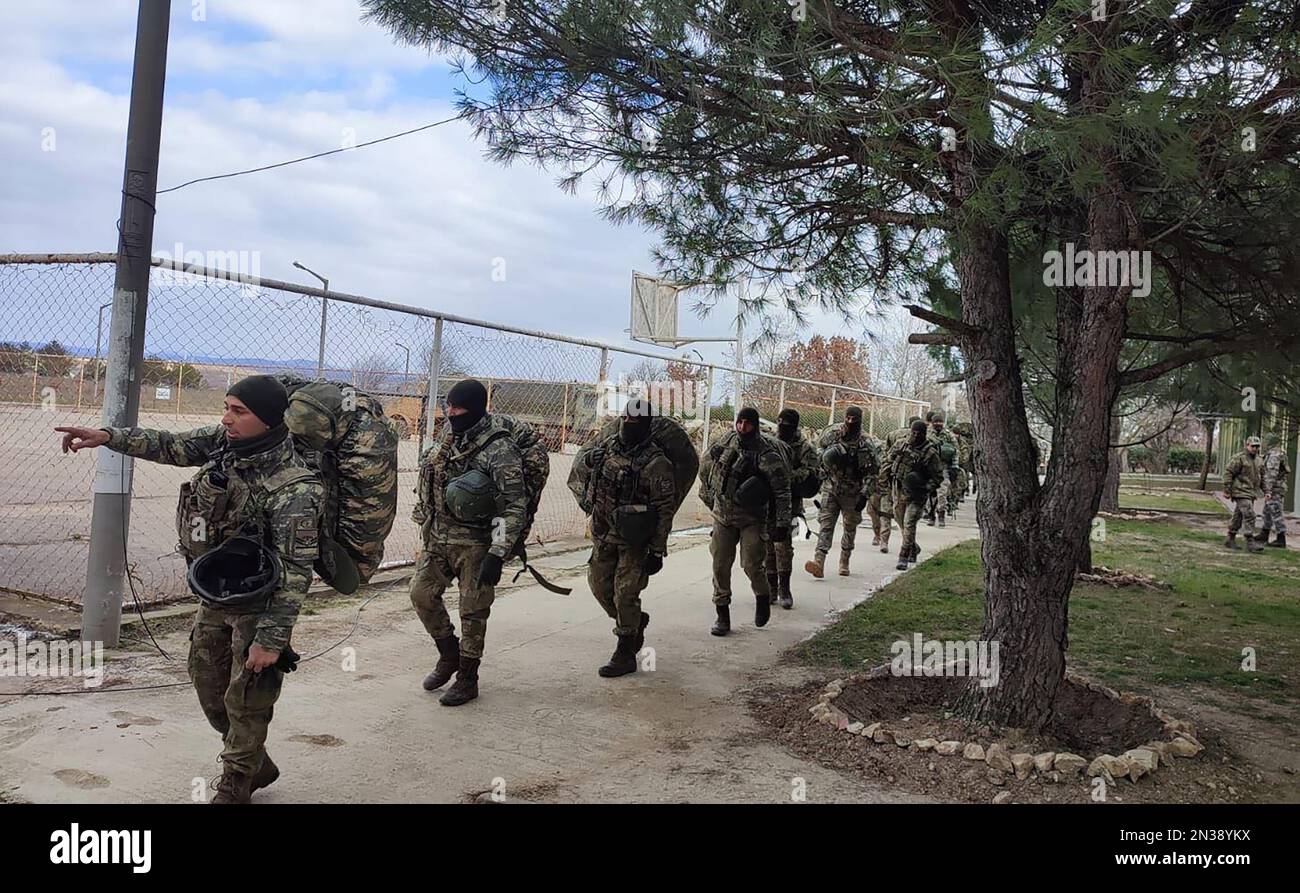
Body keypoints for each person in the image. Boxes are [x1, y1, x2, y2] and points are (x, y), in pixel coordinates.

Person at [56, 375, 324, 804]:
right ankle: (256, 761)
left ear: (270, 419)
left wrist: (271, 641)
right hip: (217, 594)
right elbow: (169, 444)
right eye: (226, 407)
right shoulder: (223, 443)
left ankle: (236, 781)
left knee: (248, 698)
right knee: (208, 685)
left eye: (239, 412)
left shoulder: (295, 487)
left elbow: (296, 570)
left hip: (260, 604)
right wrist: (107, 436)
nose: (227, 418)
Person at [409, 379, 528, 705]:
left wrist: (498, 552)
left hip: (476, 544)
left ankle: (468, 677)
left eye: (458, 408)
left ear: (476, 408)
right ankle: (448, 654)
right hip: (438, 537)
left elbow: (515, 505)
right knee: (420, 595)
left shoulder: (499, 449)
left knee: (473, 611)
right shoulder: (448, 439)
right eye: (448, 406)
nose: (451, 413)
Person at [578, 398, 678, 675]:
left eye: (635, 422)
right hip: (604, 532)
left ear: (646, 426)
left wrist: (658, 550)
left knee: (625, 593)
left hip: (636, 540)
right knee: (599, 587)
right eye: (625, 419)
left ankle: (625, 650)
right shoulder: (607, 448)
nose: (627, 425)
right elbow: (585, 478)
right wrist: (589, 462)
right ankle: (635, 623)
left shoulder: (657, 463)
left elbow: (664, 510)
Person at [698, 407, 791, 636]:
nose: (742, 428)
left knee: (751, 564)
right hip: (723, 516)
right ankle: (722, 614)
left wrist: (782, 524)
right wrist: (711, 499)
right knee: (720, 565)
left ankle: (762, 596)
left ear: (755, 425)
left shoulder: (767, 454)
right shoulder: (727, 441)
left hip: (752, 518)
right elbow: (708, 468)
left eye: (747, 424)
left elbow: (781, 491)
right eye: (739, 423)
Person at [806, 406, 879, 577]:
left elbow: (873, 472)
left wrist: (865, 494)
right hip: (831, 487)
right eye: (848, 418)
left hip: (853, 492)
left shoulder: (866, 443)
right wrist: (827, 457)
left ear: (861, 420)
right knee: (826, 524)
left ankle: (844, 560)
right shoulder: (832, 433)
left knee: (849, 527)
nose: (850, 421)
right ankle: (819, 561)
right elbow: (817, 452)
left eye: (855, 419)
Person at [766, 408, 818, 609]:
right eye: (779, 421)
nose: (782, 426)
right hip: (768, 500)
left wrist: (786, 477)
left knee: (784, 546)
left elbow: (810, 471)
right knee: (767, 547)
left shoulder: (805, 447)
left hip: (790, 502)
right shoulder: (769, 441)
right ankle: (771, 588)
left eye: (786, 423)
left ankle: (784, 588)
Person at [879, 419, 945, 572]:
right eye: (913, 433)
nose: (915, 436)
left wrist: (925, 486)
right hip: (899, 488)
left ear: (924, 434)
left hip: (917, 494)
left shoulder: (930, 453)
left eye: (919, 433)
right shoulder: (901, 444)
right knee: (900, 520)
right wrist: (883, 481)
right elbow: (888, 461)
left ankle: (904, 555)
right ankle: (913, 547)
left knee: (909, 522)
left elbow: (937, 477)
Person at [1222, 435, 1265, 553]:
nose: (1255, 449)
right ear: (1247, 446)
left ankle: (1230, 537)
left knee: (1239, 515)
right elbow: (1229, 473)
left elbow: (1262, 477)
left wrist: (1266, 491)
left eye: (1257, 447)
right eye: (1253, 446)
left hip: (1251, 492)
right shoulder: (1239, 458)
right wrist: (1227, 489)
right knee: (1250, 514)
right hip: (1240, 491)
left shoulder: (1259, 460)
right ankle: (1249, 540)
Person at [1258, 433, 1291, 549]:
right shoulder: (1277, 453)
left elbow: (1272, 474)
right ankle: (1264, 533)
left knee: (1276, 512)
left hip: (1275, 488)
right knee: (1267, 511)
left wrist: (1268, 491)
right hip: (1276, 487)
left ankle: (1281, 538)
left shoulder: (1274, 455)